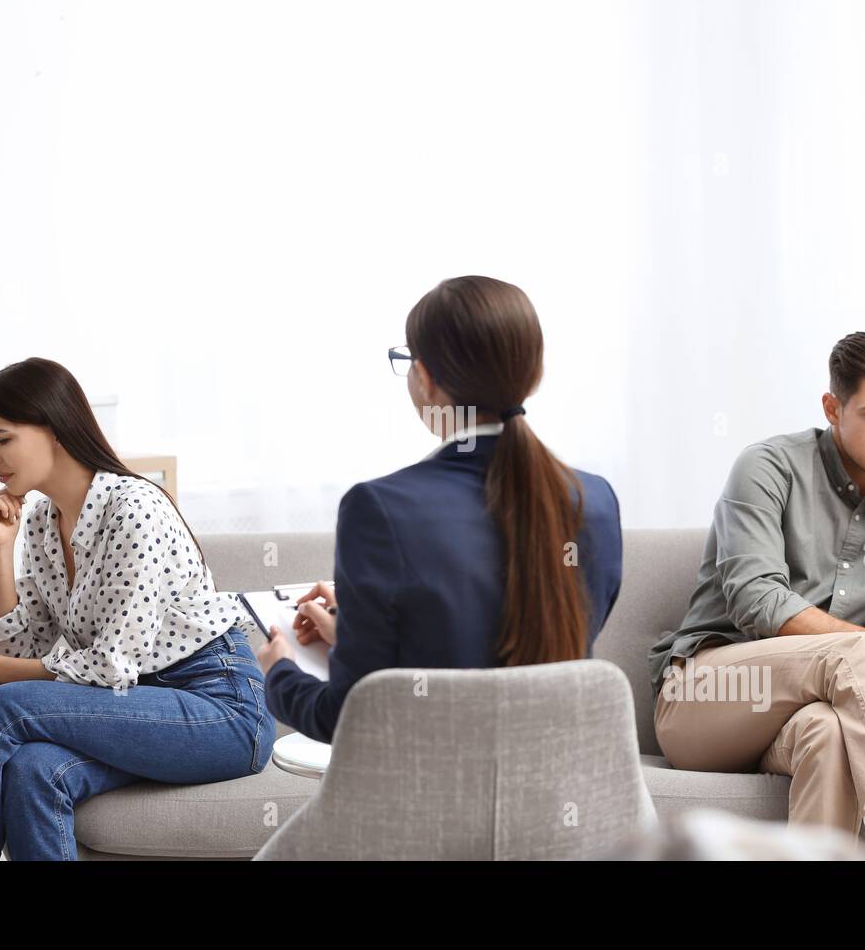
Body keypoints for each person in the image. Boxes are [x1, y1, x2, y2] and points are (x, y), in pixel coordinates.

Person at [257, 275, 624, 744]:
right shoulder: (594, 501)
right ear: (533, 373)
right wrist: (360, 632)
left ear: (426, 379)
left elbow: (349, 719)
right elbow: (510, 662)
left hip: (421, 812)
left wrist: (280, 670)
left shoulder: (379, 509)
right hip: (561, 805)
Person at [648, 330, 865, 860]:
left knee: (830, 734)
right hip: (705, 697)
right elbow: (758, 602)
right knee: (863, 651)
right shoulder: (769, 467)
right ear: (833, 408)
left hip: (807, 716)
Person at [0, 357, 274, 861]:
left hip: (219, 712)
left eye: (2, 438)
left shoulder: (133, 508)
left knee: (1, 706)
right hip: (133, 708)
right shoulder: (38, 519)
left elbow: (108, 665)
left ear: (53, 429)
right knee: (35, 769)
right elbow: (22, 646)